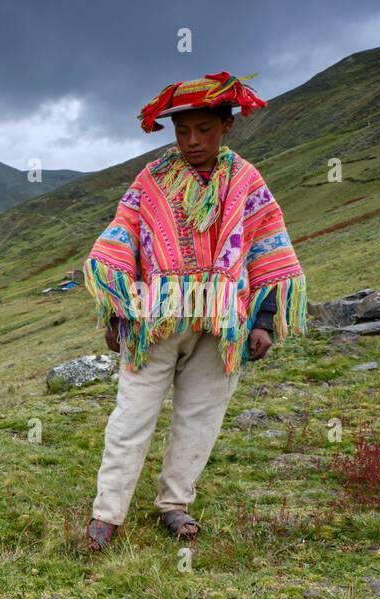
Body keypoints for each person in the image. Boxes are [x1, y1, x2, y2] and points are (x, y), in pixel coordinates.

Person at [82, 71, 306, 551]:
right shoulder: (152, 180)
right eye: (182, 131)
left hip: (221, 323)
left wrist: (263, 321)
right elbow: (122, 243)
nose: (191, 141)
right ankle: (107, 514)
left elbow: (269, 249)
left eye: (203, 129)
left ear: (226, 125)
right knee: (131, 415)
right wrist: (117, 314)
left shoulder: (246, 182)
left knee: (200, 415)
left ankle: (174, 503)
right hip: (154, 322)